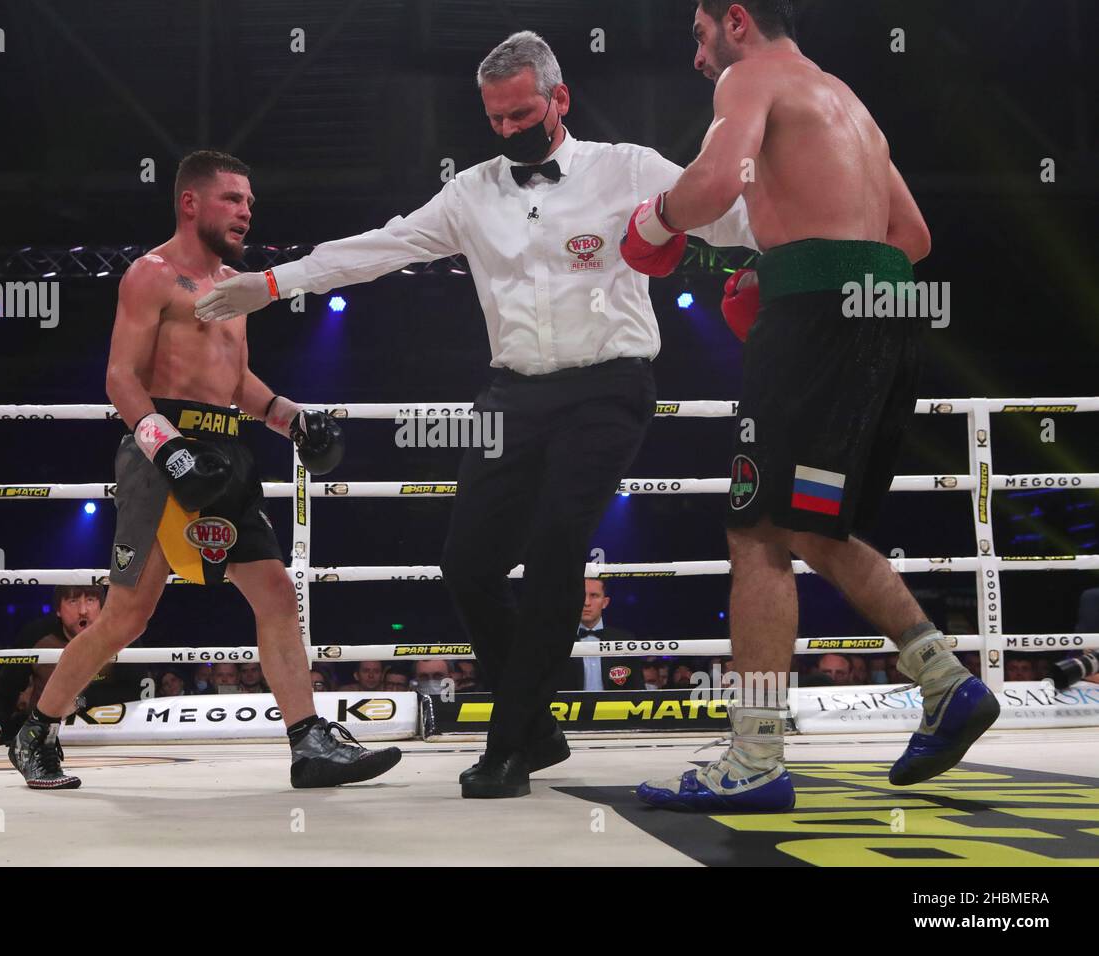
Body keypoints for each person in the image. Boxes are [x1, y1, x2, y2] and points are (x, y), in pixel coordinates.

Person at [196, 31, 755, 799]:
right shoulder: (471, 192)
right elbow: (380, 248)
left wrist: (815, 238)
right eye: (493, 117)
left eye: (520, 112)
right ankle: (537, 728)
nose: (505, 129)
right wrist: (272, 283)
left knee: (559, 547)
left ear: (559, 99)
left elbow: (732, 218)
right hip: (512, 396)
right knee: (467, 564)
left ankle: (508, 744)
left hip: (610, 385)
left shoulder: (629, 168)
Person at [634, 0, 997, 812]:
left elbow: (714, 184)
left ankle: (755, 760)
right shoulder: (848, 103)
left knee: (754, 530)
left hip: (817, 328)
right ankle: (946, 681)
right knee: (812, 523)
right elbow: (913, 235)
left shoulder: (751, 77)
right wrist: (791, 269)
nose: (698, 59)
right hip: (886, 322)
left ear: (735, 19)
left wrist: (651, 221)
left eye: (698, 36)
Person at [7, 150, 400, 790]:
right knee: (128, 616)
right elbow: (120, 377)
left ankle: (309, 745)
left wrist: (291, 417)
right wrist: (166, 446)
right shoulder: (150, 275)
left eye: (249, 200)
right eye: (232, 199)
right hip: (162, 450)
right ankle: (39, 727)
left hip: (227, 451)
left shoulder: (235, 288)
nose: (246, 210)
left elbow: (232, 380)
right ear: (191, 202)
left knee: (274, 590)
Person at [0, 585, 129, 746]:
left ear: (102, 606)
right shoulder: (36, 636)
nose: (83, 610)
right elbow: (7, 689)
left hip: (112, 733)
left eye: (90, 600)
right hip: (44, 736)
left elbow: (135, 689)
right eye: (73, 601)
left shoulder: (120, 634)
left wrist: (79, 701)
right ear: (58, 610)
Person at [565, 578, 645, 691]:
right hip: (571, 707)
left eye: (594, 595)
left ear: (605, 602)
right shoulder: (560, 640)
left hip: (615, 707)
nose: (586, 602)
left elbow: (637, 687)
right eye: (581, 595)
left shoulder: (624, 639)